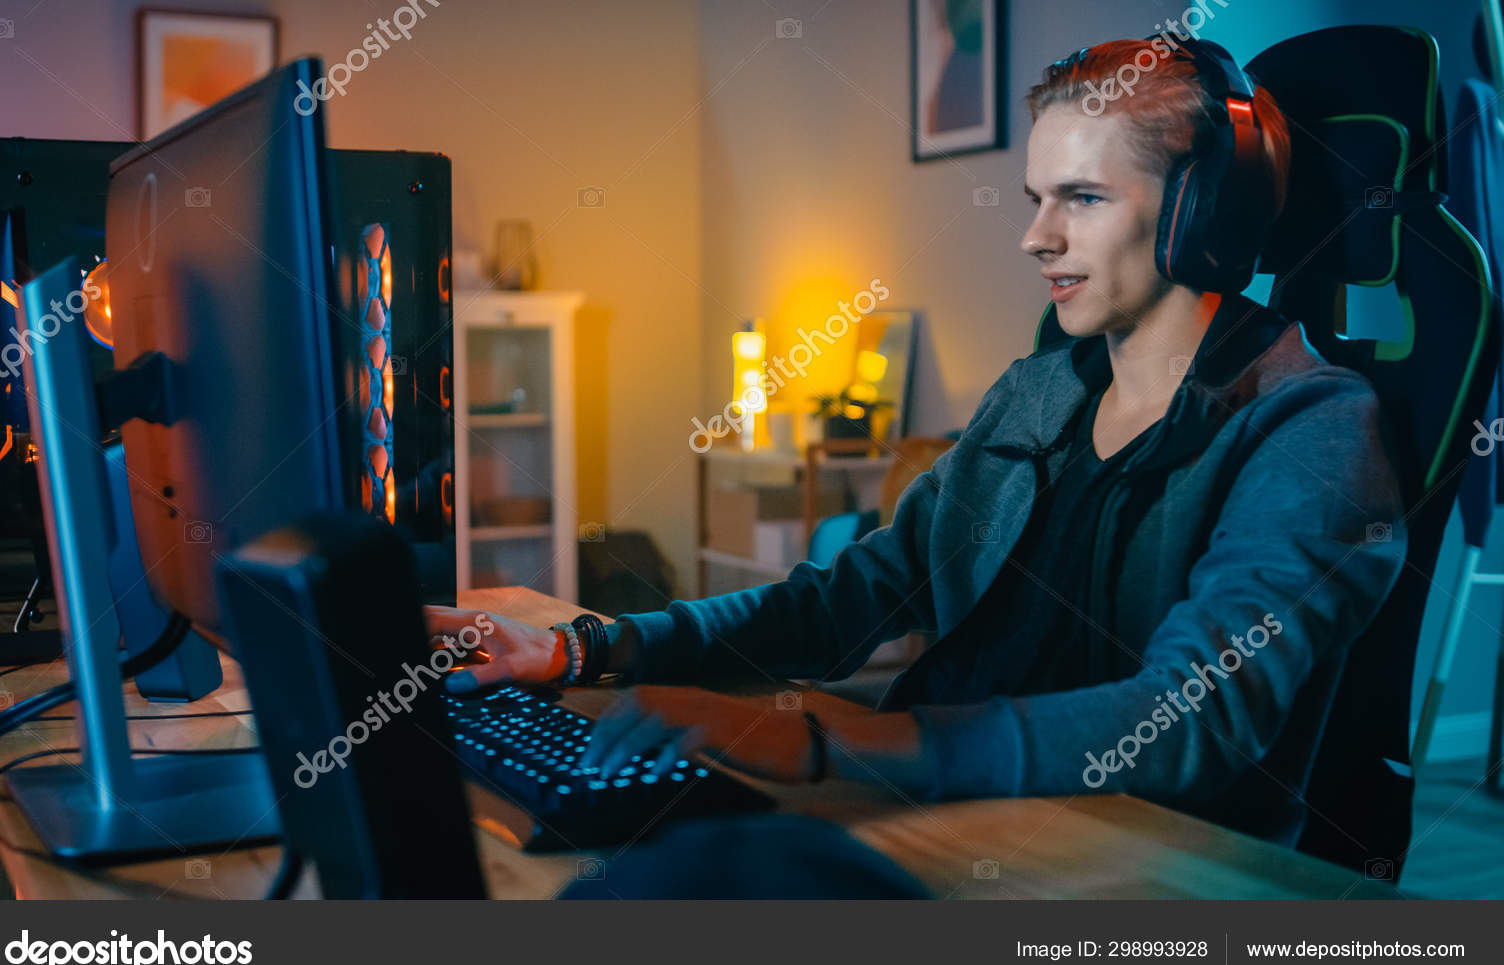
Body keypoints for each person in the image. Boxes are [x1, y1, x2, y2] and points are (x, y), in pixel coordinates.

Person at [424, 39, 1408, 851]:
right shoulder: (1040, 392)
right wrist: (577, 646)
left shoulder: (1309, 430)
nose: (1035, 237)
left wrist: (831, 738)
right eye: (1033, 198)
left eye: (1082, 198)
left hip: (1136, 862)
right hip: (959, 818)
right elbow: (853, 594)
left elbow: (1189, 720)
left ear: (1201, 214)